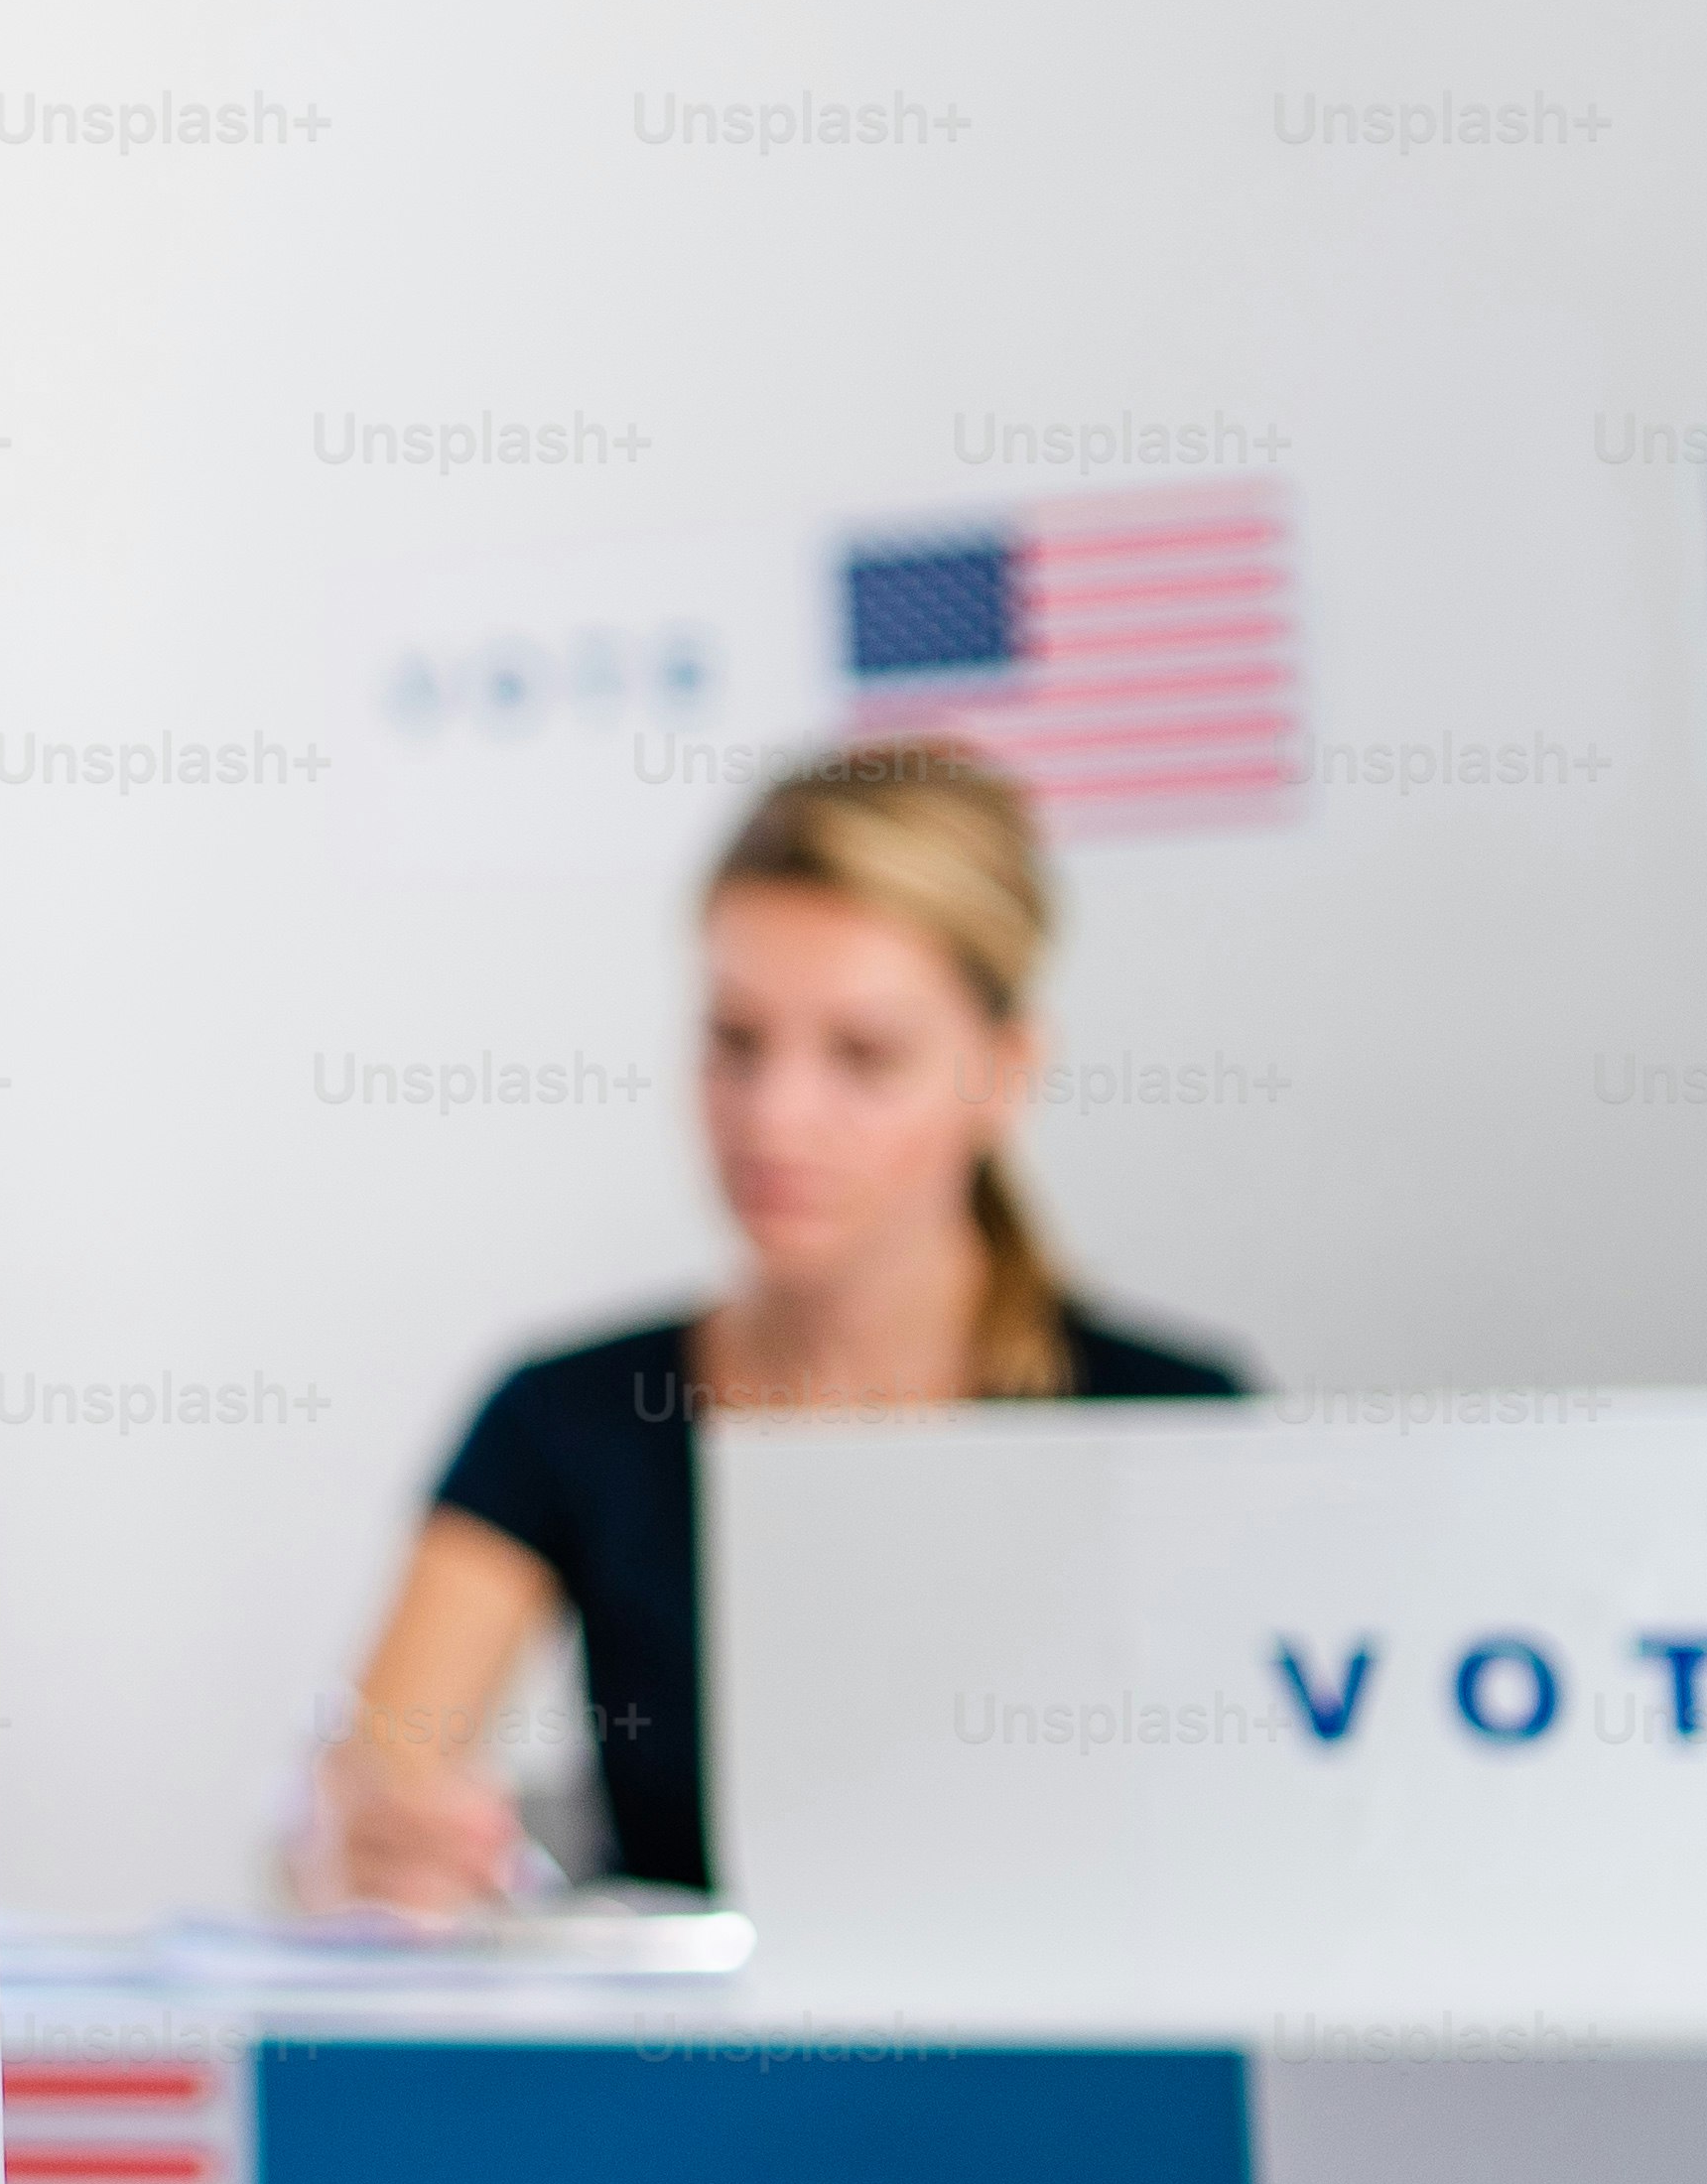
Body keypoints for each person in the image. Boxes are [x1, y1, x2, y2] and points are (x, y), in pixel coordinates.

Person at [309, 743, 1246, 1908]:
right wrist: (367, 1846)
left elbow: (1261, 1852)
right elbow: (368, 1786)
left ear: (1005, 1071)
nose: (776, 1117)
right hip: (690, 2085)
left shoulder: (1175, 1427)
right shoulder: (571, 1418)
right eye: (736, 1043)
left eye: (865, 1056)